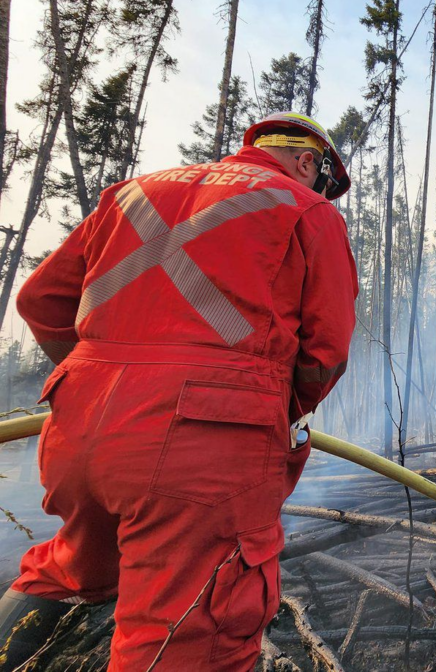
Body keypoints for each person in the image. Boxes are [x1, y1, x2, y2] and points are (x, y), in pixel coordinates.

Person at [0, 113, 358, 671]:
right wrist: (276, 411)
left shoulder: (131, 194)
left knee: (70, 567)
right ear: (308, 162)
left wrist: (95, 377)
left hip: (78, 433)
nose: (320, 191)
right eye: (322, 181)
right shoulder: (307, 209)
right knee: (188, 636)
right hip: (205, 449)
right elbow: (326, 351)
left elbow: (40, 301)